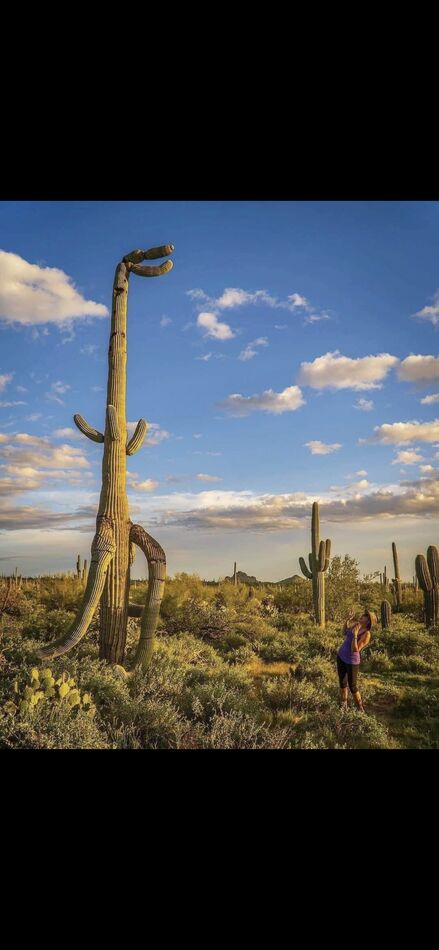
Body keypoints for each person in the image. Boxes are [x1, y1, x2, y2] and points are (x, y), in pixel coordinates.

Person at [336, 609, 377, 712]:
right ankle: (344, 704)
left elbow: (355, 649)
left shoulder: (367, 634)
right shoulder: (355, 625)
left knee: (352, 686)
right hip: (341, 656)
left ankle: (360, 708)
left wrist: (355, 636)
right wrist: (347, 620)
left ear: (368, 621)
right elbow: (344, 632)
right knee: (342, 681)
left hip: (352, 661)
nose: (362, 616)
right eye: (363, 615)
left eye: (364, 616)